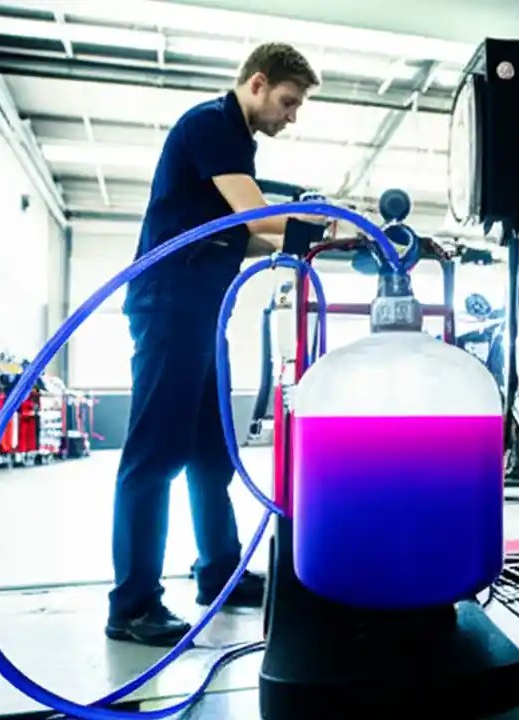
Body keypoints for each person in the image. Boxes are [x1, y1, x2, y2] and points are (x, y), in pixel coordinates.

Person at [106, 42, 333, 646]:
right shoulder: (212, 126)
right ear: (257, 84)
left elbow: (244, 236)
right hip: (169, 305)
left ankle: (220, 573)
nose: (292, 116)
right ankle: (131, 605)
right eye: (289, 102)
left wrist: (319, 242)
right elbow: (257, 220)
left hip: (201, 309)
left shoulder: (236, 142)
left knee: (210, 453)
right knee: (154, 456)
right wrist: (331, 223)